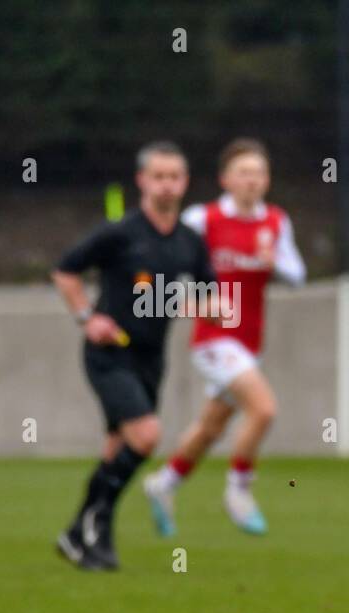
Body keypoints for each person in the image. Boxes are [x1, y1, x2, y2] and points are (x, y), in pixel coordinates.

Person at [51, 141, 219, 571]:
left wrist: (206, 305)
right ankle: (97, 522)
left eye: (174, 177)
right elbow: (65, 270)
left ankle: (79, 534)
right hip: (108, 354)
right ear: (142, 180)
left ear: (185, 182)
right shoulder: (120, 233)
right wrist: (88, 317)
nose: (167, 185)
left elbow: (209, 295)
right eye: (158, 177)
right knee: (146, 436)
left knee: (116, 448)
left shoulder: (190, 242)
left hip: (151, 359)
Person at [143, 138, 306, 536]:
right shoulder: (204, 219)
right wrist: (189, 298)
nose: (252, 180)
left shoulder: (275, 222)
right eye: (244, 172)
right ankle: (239, 492)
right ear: (225, 179)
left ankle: (164, 484)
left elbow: (297, 275)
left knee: (210, 427)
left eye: (259, 173)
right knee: (264, 409)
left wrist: (276, 262)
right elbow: (169, 259)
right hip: (214, 339)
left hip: (251, 343)